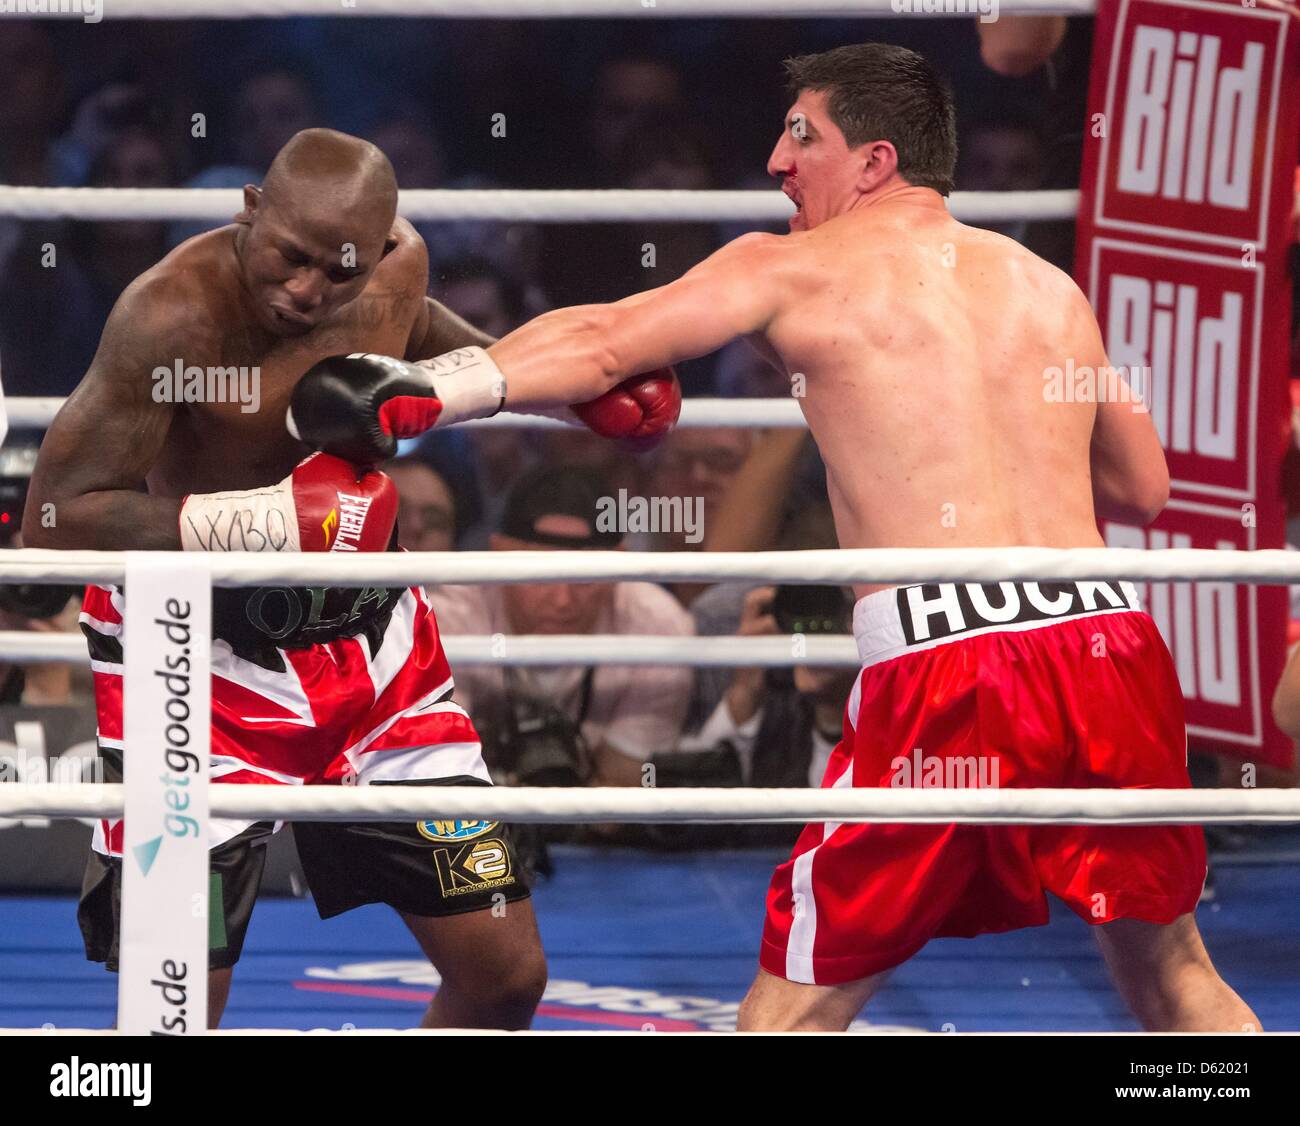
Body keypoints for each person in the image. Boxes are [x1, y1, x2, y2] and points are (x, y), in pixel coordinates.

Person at [298, 42, 1256, 1033]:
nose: (775, 161)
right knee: (1172, 973)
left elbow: (602, 340)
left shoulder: (790, 267)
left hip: (951, 662)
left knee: (789, 1007)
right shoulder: (1044, 286)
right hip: (1105, 640)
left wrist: (427, 393)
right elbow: (1145, 485)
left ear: (875, 161)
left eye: (803, 136)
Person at [22, 128, 678, 1029]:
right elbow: (53, 519)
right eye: (288, 258)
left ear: (379, 251)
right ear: (251, 210)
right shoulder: (171, 316)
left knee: (504, 978)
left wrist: (565, 392)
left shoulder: (396, 269)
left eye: (339, 271)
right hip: (196, 667)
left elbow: (426, 347)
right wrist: (257, 523)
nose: (307, 292)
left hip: (373, 657)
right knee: (173, 1009)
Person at [428, 466, 694, 790]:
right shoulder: (447, 619)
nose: (562, 600)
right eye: (539, 574)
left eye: (584, 577)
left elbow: (620, 794)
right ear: (499, 553)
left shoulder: (658, 630)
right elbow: (443, 776)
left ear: (619, 562)